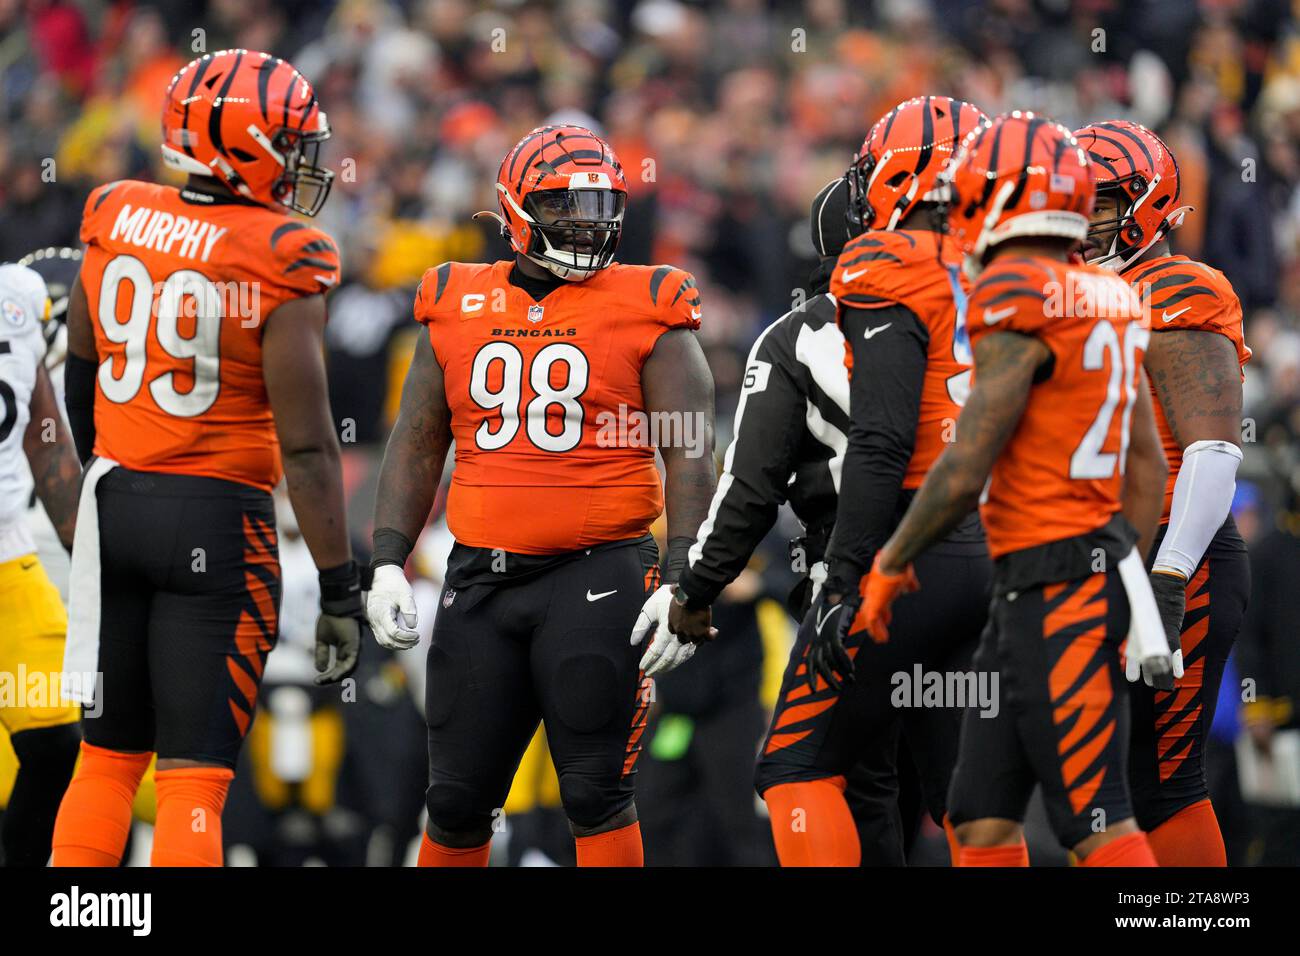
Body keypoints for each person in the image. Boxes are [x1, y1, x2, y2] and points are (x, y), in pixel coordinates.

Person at [365, 124, 717, 867]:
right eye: (564, 205)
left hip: (599, 573)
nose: (587, 221)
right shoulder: (452, 297)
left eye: (598, 203)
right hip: (479, 579)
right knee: (456, 801)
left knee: (594, 792)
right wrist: (390, 558)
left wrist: (687, 571)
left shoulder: (648, 300)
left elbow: (691, 444)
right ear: (516, 210)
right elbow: (420, 437)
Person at [51, 49, 368, 867]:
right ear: (252, 147)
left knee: (107, 758)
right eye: (292, 142)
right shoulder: (281, 252)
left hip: (115, 502)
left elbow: (80, 367)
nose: (305, 162)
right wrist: (338, 584)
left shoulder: (114, 209)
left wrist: (97, 485)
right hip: (216, 518)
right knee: (194, 779)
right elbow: (306, 442)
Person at [863, 112, 1172, 866]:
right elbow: (1149, 470)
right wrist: (1118, 571)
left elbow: (968, 461)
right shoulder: (1108, 293)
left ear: (992, 194)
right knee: (979, 814)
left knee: (1097, 817)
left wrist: (893, 558)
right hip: (1054, 577)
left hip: (1053, 579)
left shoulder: (1014, 288)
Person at [699, 96, 994, 866]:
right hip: (1003, 550)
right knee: (967, 798)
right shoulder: (1006, 273)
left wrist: (840, 583)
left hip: (899, 554)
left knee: (798, 766)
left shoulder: (861, 288)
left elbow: (874, 445)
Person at [1076, 119, 1251, 867]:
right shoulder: (1088, 299)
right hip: (1115, 559)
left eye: (1100, 203)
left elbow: (1213, 450)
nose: (1081, 219)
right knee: (1100, 780)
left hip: (1182, 561)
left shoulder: (1173, 287)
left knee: (1161, 783)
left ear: (1148, 203)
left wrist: (1173, 571)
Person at [0, 260, 81, 865]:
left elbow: (44, 438)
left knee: (57, 743)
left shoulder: (17, 295)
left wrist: (93, 557)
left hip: (9, 560)